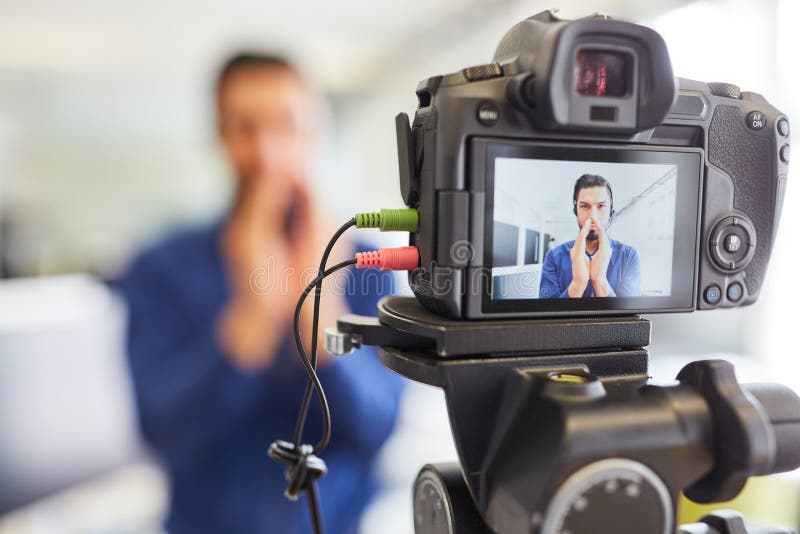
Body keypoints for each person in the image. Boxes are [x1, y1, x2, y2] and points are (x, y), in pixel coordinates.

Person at [118, 53, 404, 533]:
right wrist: (255, 307)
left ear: (317, 131)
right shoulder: (160, 267)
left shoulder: (365, 264)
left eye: (286, 126)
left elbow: (376, 426)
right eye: (246, 128)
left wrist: (318, 303)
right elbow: (163, 431)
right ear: (221, 135)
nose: (268, 152)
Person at [539, 174, 641, 298]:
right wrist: (577, 284)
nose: (593, 216)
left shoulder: (629, 257)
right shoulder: (553, 257)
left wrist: (599, 280)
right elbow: (548, 314)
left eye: (601, 206)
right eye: (584, 206)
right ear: (575, 211)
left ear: (611, 213)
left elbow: (628, 315)